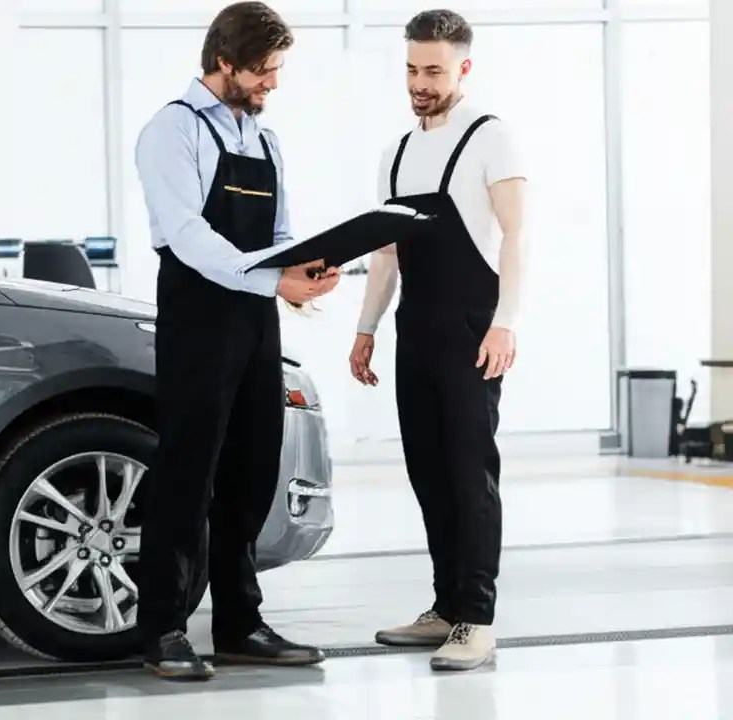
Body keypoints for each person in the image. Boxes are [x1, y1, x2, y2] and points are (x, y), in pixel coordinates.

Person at [134, 1, 339, 681]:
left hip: (256, 319)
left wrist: (303, 266)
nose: (272, 84)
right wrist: (271, 282)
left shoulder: (264, 139)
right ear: (225, 61)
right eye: (263, 70)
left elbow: (278, 233)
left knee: (253, 469)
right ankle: (162, 627)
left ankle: (239, 624)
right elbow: (187, 237)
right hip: (198, 316)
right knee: (187, 473)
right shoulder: (172, 130)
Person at [349, 9, 528, 672]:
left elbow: (516, 235)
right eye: (412, 68)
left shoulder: (491, 138)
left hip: (470, 328)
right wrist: (366, 329)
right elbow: (387, 253)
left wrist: (506, 320)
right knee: (428, 470)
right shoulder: (396, 150)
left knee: (468, 473)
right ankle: (446, 608)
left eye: (433, 70)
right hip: (414, 327)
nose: (419, 82)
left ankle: (476, 619)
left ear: (463, 68)